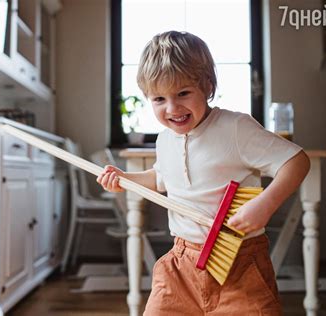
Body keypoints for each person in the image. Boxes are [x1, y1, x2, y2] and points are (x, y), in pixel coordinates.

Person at [96, 31, 309, 315]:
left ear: (207, 85)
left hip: (239, 264)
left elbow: (297, 161)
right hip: (181, 265)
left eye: (183, 93)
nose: (173, 108)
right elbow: (160, 179)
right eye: (159, 98)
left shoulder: (235, 128)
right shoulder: (165, 139)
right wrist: (123, 179)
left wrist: (265, 204)